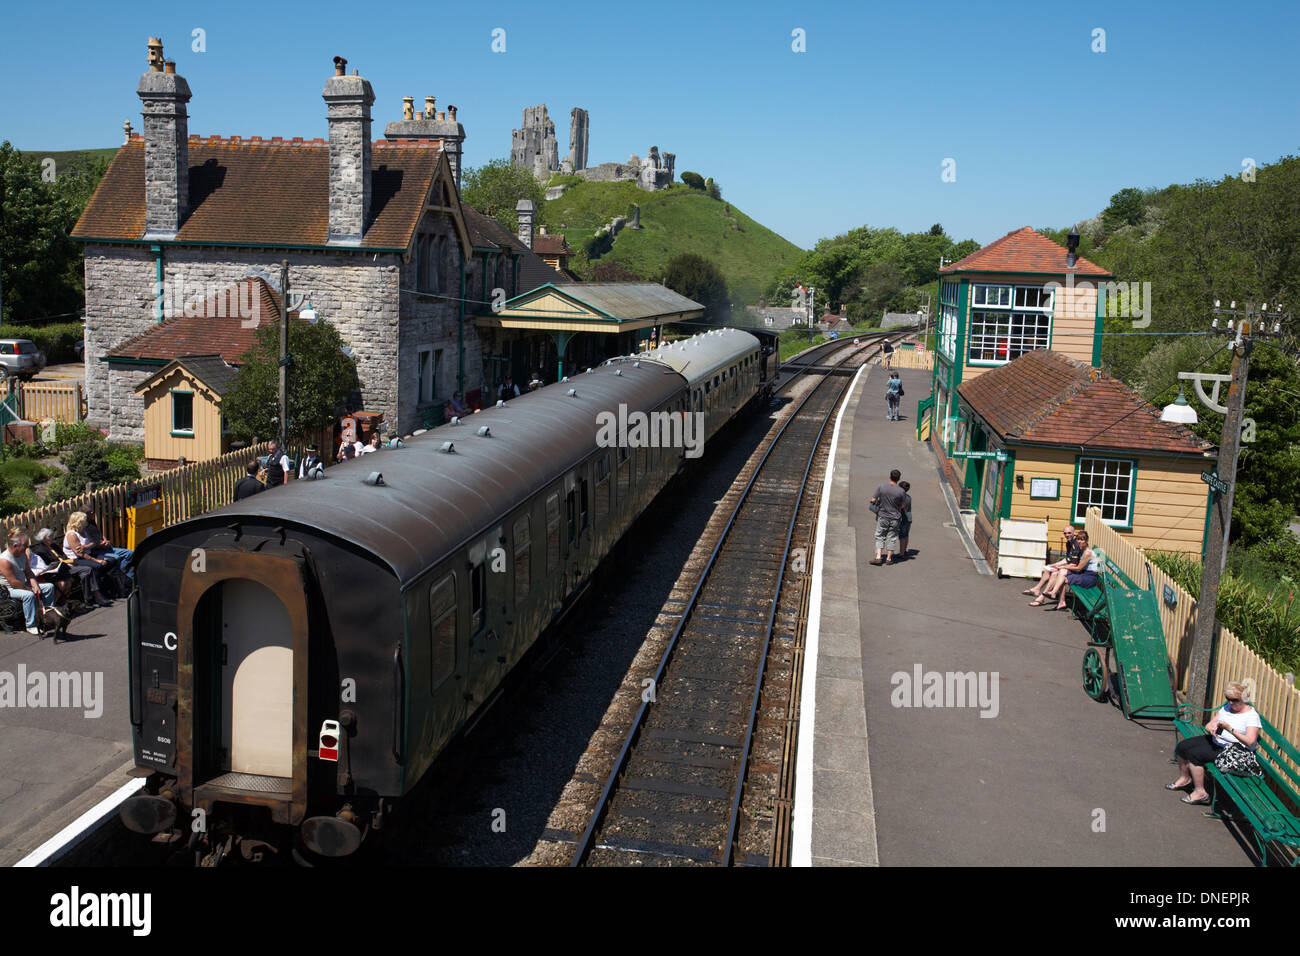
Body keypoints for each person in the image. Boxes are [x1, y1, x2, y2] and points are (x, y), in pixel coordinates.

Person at [1168, 680, 1262, 805]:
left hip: (1233, 750)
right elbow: (1209, 725)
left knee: (1194, 755)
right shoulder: (1228, 708)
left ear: (1243, 699)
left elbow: (1250, 742)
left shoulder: (1251, 716)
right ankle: (1185, 779)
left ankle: (1201, 793)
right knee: (1182, 747)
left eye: (1234, 700)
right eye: (1228, 699)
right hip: (1217, 741)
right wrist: (1211, 728)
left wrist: (1230, 729)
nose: (1230, 702)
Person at [1, 532, 57, 634]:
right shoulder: (4, 560)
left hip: (22, 584)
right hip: (9, 589)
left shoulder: (22, 555)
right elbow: (13, 582)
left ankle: (48, 616)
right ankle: (31, 625)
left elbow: (28, 572)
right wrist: (30, 589)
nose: (27, 547)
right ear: (15, 546)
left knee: (49, 587)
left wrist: (35, 585)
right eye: (25, 545)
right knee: (29, 595)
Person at [1030, 530, 1096, 610]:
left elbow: (1078, 568)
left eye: (1082, 539)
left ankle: (1052, 594)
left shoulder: (1087, 553)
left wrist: (1064, 567)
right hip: (1083, 574)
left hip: (1089, 577)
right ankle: (1054, 595)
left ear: (1086, 540)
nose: (1079, 541)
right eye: (1078, 539)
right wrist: (1059, 566)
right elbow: (1071, 560)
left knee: (1061, 574)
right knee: (1060, 573)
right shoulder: (1081, 549)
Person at [32, 527, 96, 606]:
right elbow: (47, 564)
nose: (52, 538)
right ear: (44, 538)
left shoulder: (54, 545)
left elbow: (63, 556)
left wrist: (67, 562)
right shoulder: (40, 550)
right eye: (50, 536)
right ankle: (53, 604)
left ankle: (64, 602)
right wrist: (63, 564)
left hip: (64, 568)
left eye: (52, 536)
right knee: (62, 583)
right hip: (53, 573)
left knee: (74, 578)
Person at [63, 512, 114, 607]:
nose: (86, 522)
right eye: (84, 521)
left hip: (88, 553)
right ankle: (97, 595)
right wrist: (96, 560)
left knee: (111, 560)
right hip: (76, 559)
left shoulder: (83, 531)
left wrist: (85, 546)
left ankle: (108, 588)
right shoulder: (71, 535)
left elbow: (93, 542)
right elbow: (80, 553)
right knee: (96, 566)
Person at [1023, 527, 1083, 598]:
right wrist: (1053, 564)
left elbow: (1074, 564)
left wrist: (1059, 567)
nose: (1067, 535)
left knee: (1055, 573)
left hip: (1078, 570)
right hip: (1071, 566)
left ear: (1074, 533)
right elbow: (1067, 559)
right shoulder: (1069, 543)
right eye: (1065, 533)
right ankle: (1037, 589)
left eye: (1069, 533)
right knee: (1049, 569)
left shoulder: (1076, 544)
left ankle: (1043, 596)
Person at [869, 469, 909, 566]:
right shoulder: (901, 491)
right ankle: (889, 558)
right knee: (892, 537)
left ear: (890, 477)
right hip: (895, 518)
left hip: (883, 515)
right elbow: (903, 505)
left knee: (880, 536)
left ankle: (878, 557)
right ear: (899, 479)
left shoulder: (882, 486)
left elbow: (873, 499)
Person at [83, 514, 134, 584]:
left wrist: (105, 540)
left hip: (105, 546)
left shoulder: (91, 522)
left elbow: (100, 534)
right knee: (116, 558)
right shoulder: (84, 529)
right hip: (97, 551)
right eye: (90, 513)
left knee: (130, 553)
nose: (92, 513)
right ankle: (121, 580)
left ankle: (128, 576)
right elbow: (91, 544)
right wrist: (102, 545)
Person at [897, 480, 913, 558]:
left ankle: (901, 553)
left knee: (902, 536)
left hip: (903, 518)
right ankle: (904, 550)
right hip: (909, 518)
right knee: (906, 535)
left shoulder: (901, 498)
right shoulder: (909, 497)